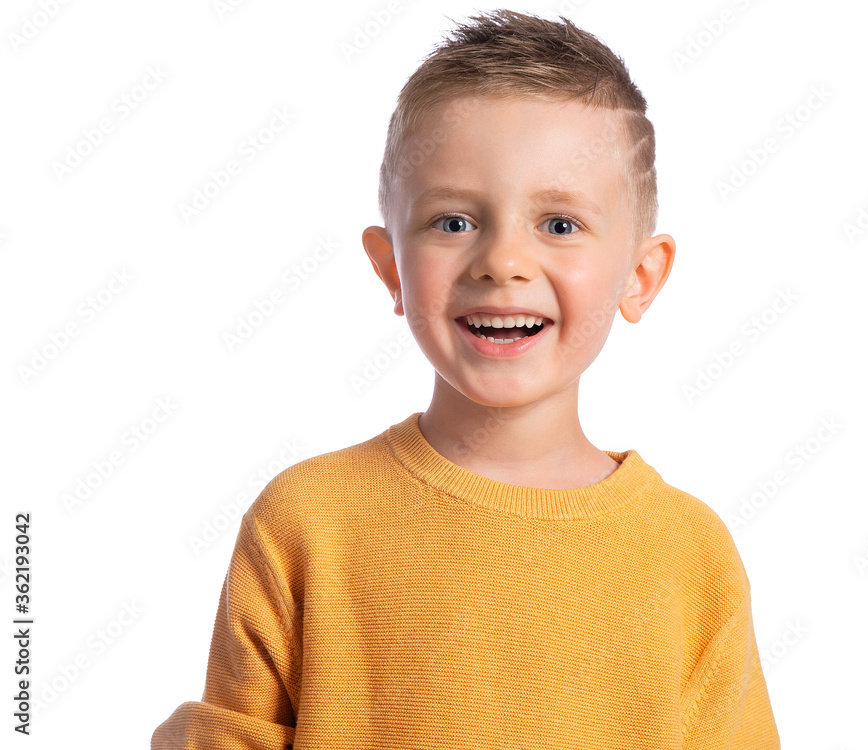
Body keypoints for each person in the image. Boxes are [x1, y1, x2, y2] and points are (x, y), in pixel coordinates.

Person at [152, 9, 780, 748]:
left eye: (559, 224)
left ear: (639, 278)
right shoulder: (305, 523)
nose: (501, 261)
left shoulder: (690, 555)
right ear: (391, 269)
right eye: (453, 222)